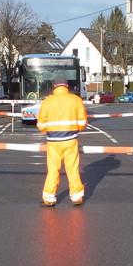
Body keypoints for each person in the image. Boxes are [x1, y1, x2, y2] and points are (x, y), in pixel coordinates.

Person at [36, 78, 88, 207]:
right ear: (67, 86)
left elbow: (41, 124)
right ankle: (76, 197)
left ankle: (49, 197)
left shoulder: (47, 101)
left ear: (54, 87)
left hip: (53, 141)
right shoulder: (76, 100)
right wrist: (75, 129)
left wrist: (48, 131)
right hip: (70, 139)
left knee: (53, 169)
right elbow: (82, 123)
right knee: (73, 168)